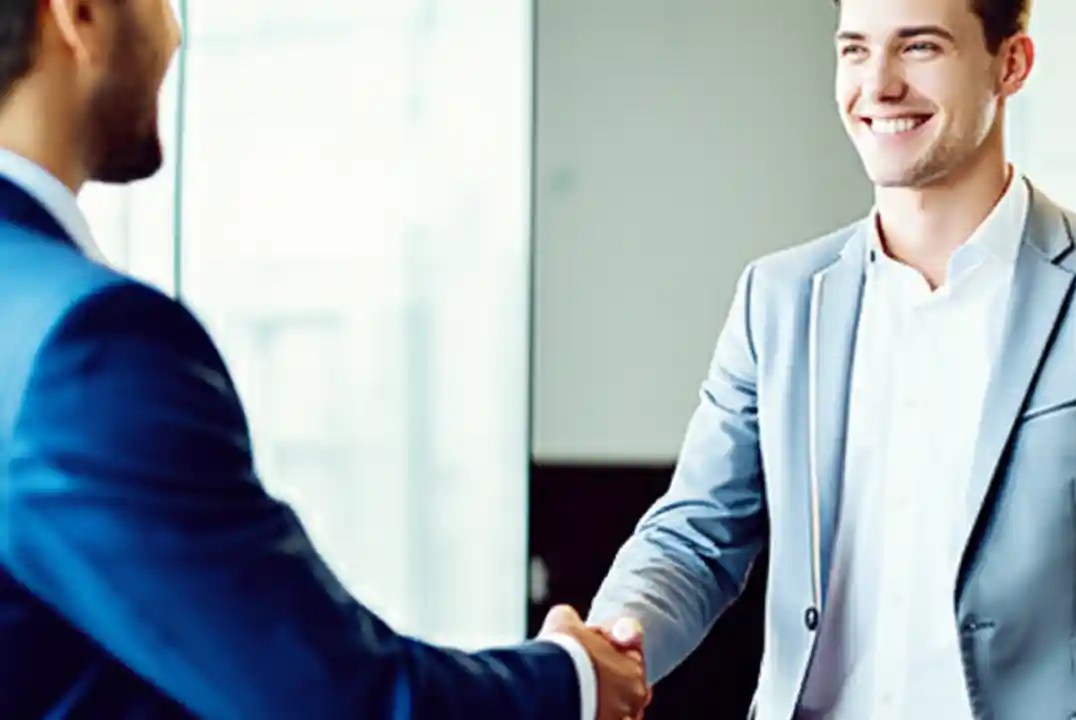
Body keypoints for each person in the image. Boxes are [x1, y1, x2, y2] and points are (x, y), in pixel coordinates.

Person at [586, 0, 1076, 717]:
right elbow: (695, 538)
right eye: (854, 50)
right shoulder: (776, 299)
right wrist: (602, 649)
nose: (877, 85)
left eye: (919, 47)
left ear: (1011, 64)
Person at [0, 0, 648, 717]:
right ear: (78, 15)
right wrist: (572, 681)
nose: (176, 32)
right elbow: (338, 700)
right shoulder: (88, 342)